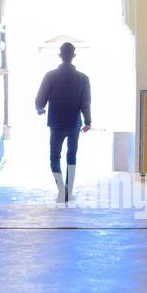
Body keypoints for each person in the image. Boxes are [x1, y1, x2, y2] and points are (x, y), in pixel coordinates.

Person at [35, 41, 91, 202]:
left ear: (60, 55)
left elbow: (40, 98)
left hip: (56, 122)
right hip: (74, 123)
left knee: (54, 157)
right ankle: (69, 192)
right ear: (73, 56)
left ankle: (62, 190)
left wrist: (40, 109)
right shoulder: (83, 78)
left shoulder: (50, 76)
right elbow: (85, 102)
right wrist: (88, 121)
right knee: (71, 156)